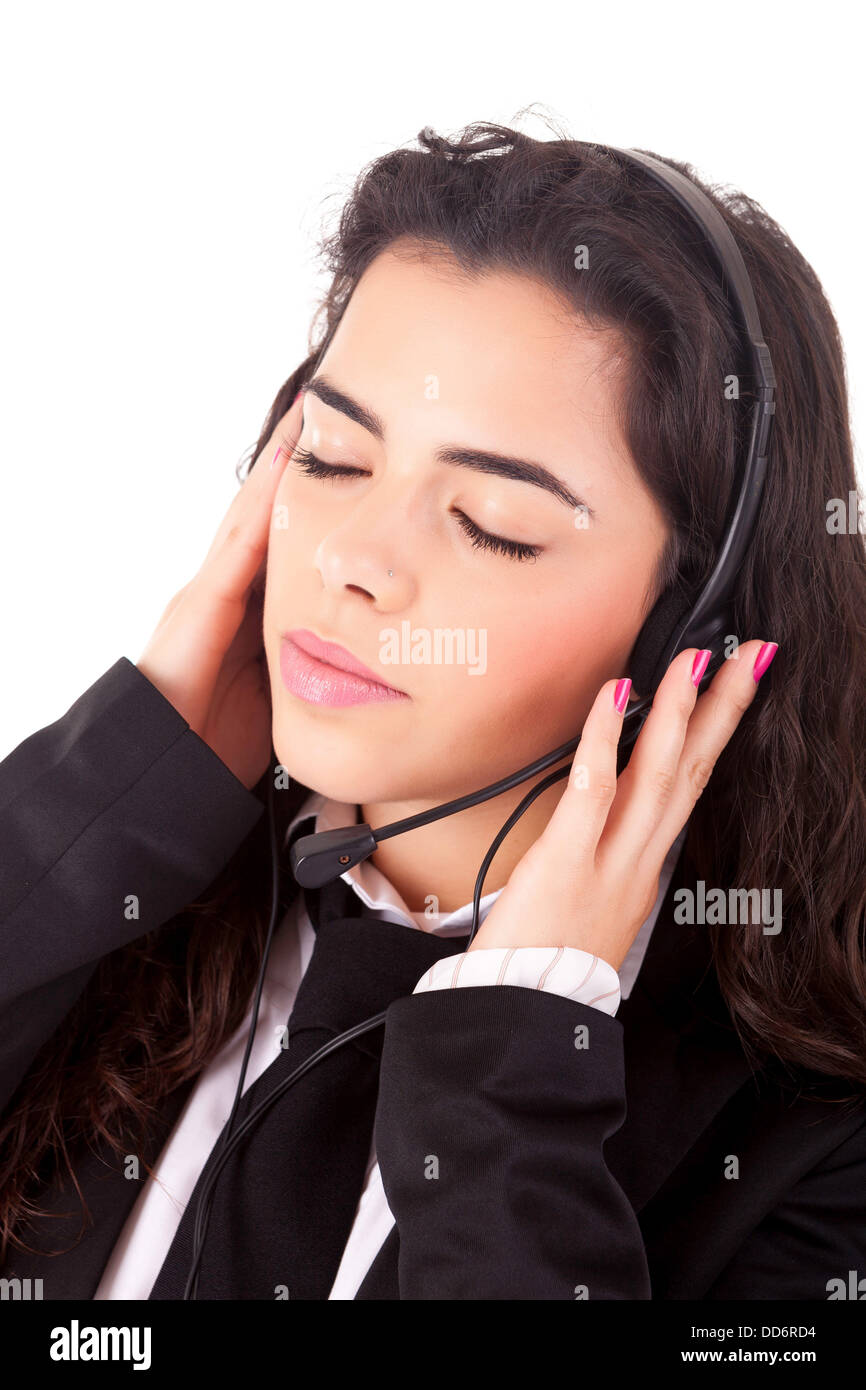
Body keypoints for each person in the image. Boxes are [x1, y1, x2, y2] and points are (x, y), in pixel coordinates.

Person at [1, 121, 864, 1302]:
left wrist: (512, 1078)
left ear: (688, 633)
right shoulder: (106, 897)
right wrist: (85, 815)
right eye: (333, 459)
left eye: (489, 524)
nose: (354, 559)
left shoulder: (813, 1154)